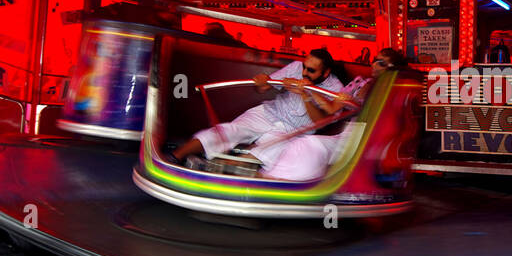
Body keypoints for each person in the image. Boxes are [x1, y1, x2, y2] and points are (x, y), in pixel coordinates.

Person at [172, 49, 344, 169]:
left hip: (294, 130)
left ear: (326, 72)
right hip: (269, 112)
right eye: (304, 67)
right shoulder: (296, 67)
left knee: (265, 152)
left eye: (311, 70)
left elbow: (320, 122)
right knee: (230, 130)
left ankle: (213, 168)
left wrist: (306, 93)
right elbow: (263, 88)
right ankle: (174, 157)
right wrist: (263, 81)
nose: (304, 72)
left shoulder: (336, 89)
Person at [257, 48, 408, 180]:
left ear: (392, 68)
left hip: (375, 136)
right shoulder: (360, 82)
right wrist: (308, 91)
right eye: (375, 60)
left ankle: (283, 178)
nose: (374, 65)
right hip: (353, 132)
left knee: (312, 144)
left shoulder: (395, 90)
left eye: (381, 63)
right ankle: (276, 177)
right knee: (306, 143)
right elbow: (332, 108)